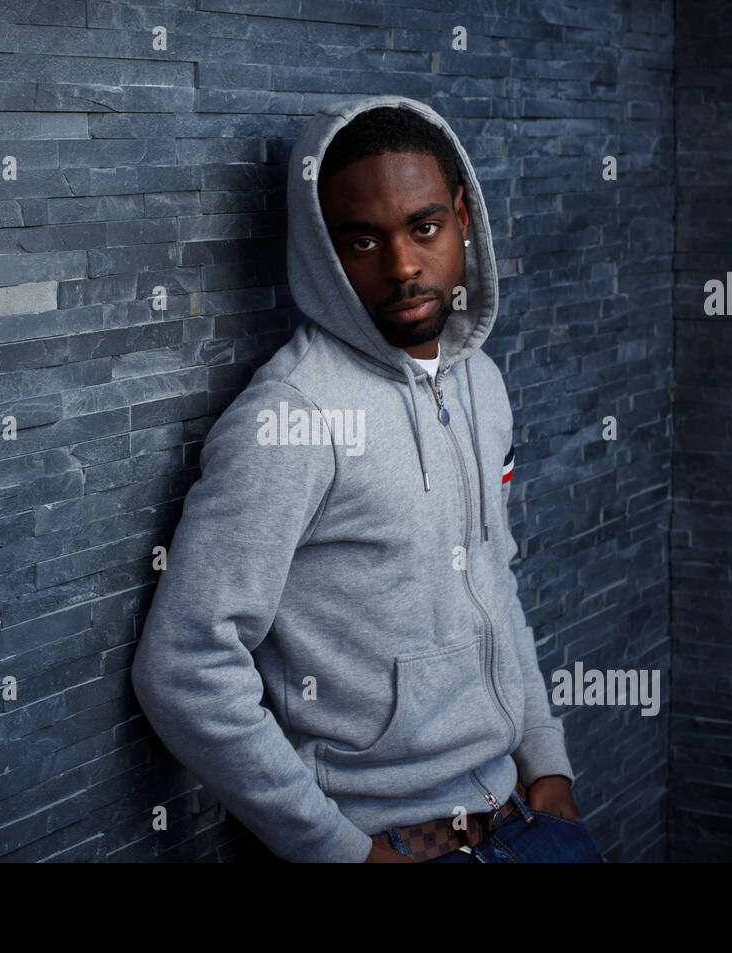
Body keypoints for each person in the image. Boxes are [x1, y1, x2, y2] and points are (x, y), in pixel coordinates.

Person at [130, 95, 604, 863]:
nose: (403, 266)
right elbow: (183, 664)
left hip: (522, 817)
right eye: (362, 241)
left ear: (461, 217)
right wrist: (338, 850)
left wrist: (548, 761)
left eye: (424, 228)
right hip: (391, 844)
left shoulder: (480, 381)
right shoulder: (290, 418)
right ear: (324, 251)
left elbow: (493, 576)